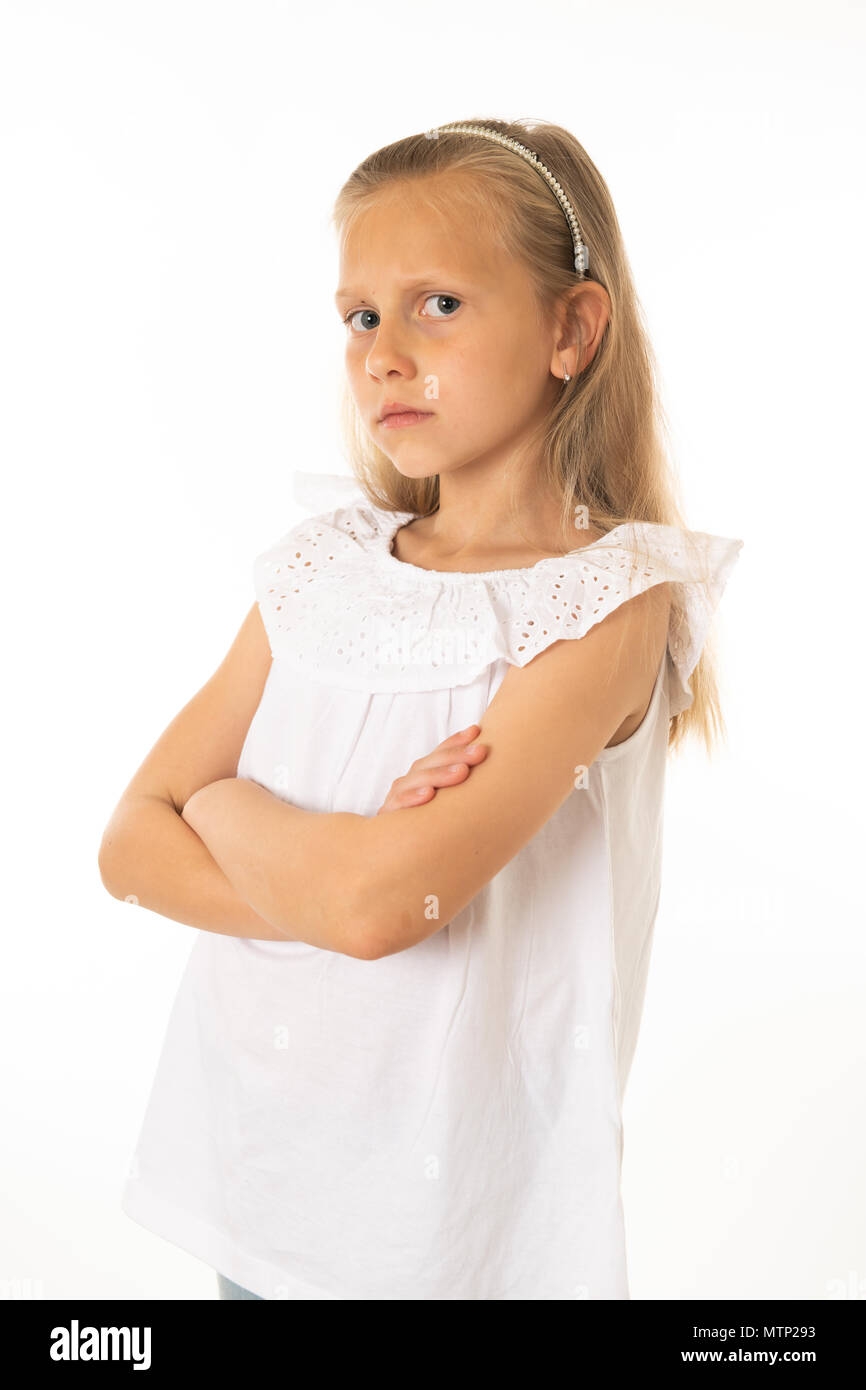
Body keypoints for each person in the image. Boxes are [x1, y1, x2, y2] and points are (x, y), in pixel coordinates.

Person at [99, 117, 743, 1301]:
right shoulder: (322, 567)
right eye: (360, 316)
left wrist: (231, 807)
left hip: (453, 1232)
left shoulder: (604, 604)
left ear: (569, 328)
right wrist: (337, 870)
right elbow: (129, 846)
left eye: (437, 304)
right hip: (269, 1179)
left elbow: (387, 905)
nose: (385, 353)